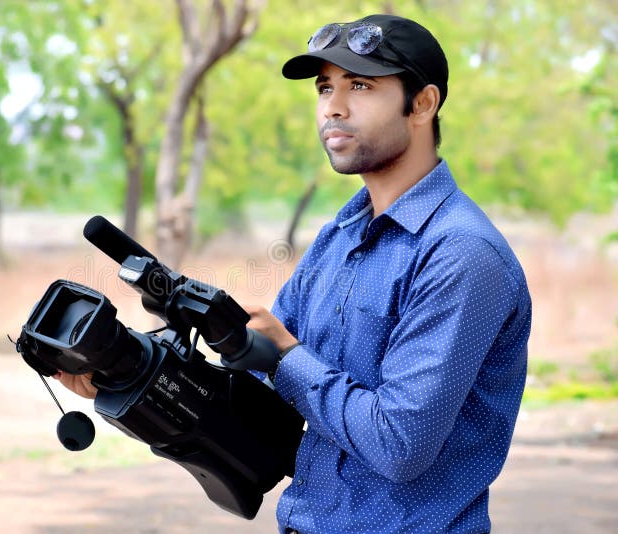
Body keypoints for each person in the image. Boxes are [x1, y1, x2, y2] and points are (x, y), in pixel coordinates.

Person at [56, 13, 531, 533]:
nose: (334, 106)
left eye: (361, 86)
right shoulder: (341, 236)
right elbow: (258, 394)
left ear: (423, 104)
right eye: (325, 88)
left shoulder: (460, 254)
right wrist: (128, 376)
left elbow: (399, 444)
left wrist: (286, 354)